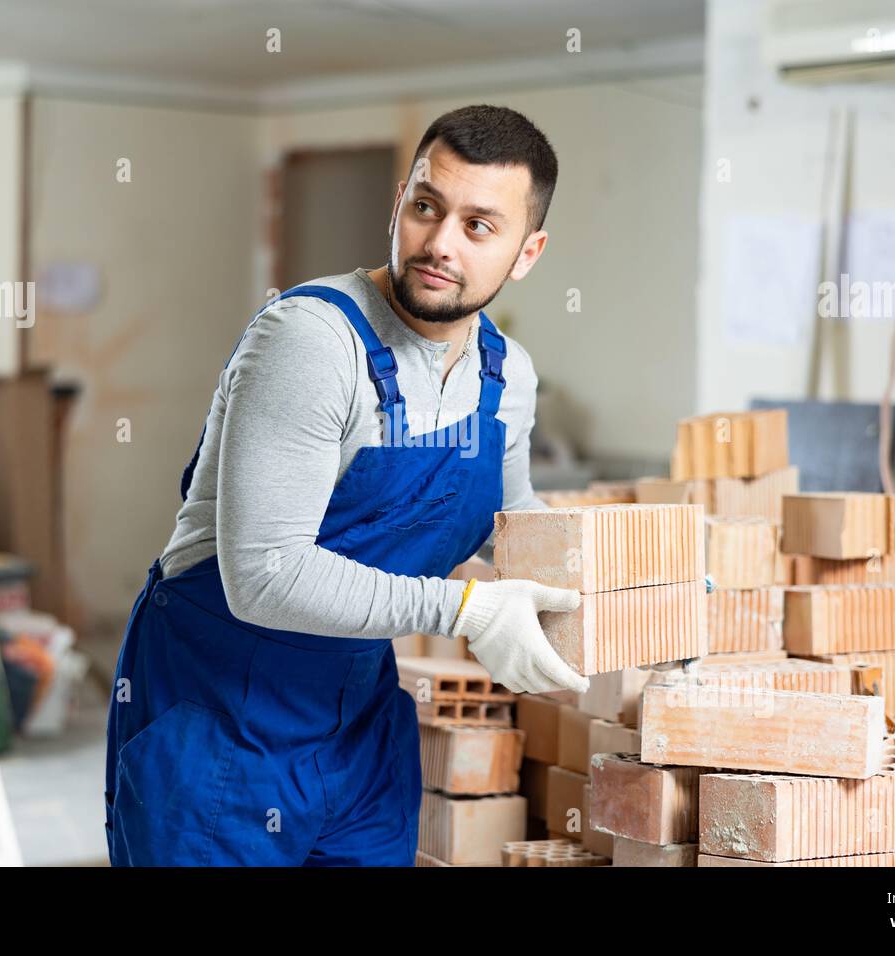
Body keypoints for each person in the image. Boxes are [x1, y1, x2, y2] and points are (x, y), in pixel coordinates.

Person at [105, 104, 587, 867]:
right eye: (426, 207)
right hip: (220, 714)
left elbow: (514, 521)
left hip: (356, 715)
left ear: (528, 252)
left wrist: (635, 586)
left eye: (478, 226)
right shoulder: (311, 341)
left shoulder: (506, 376)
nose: (438, 243)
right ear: (399, 200)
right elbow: (266, 577)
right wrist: (468, 607)